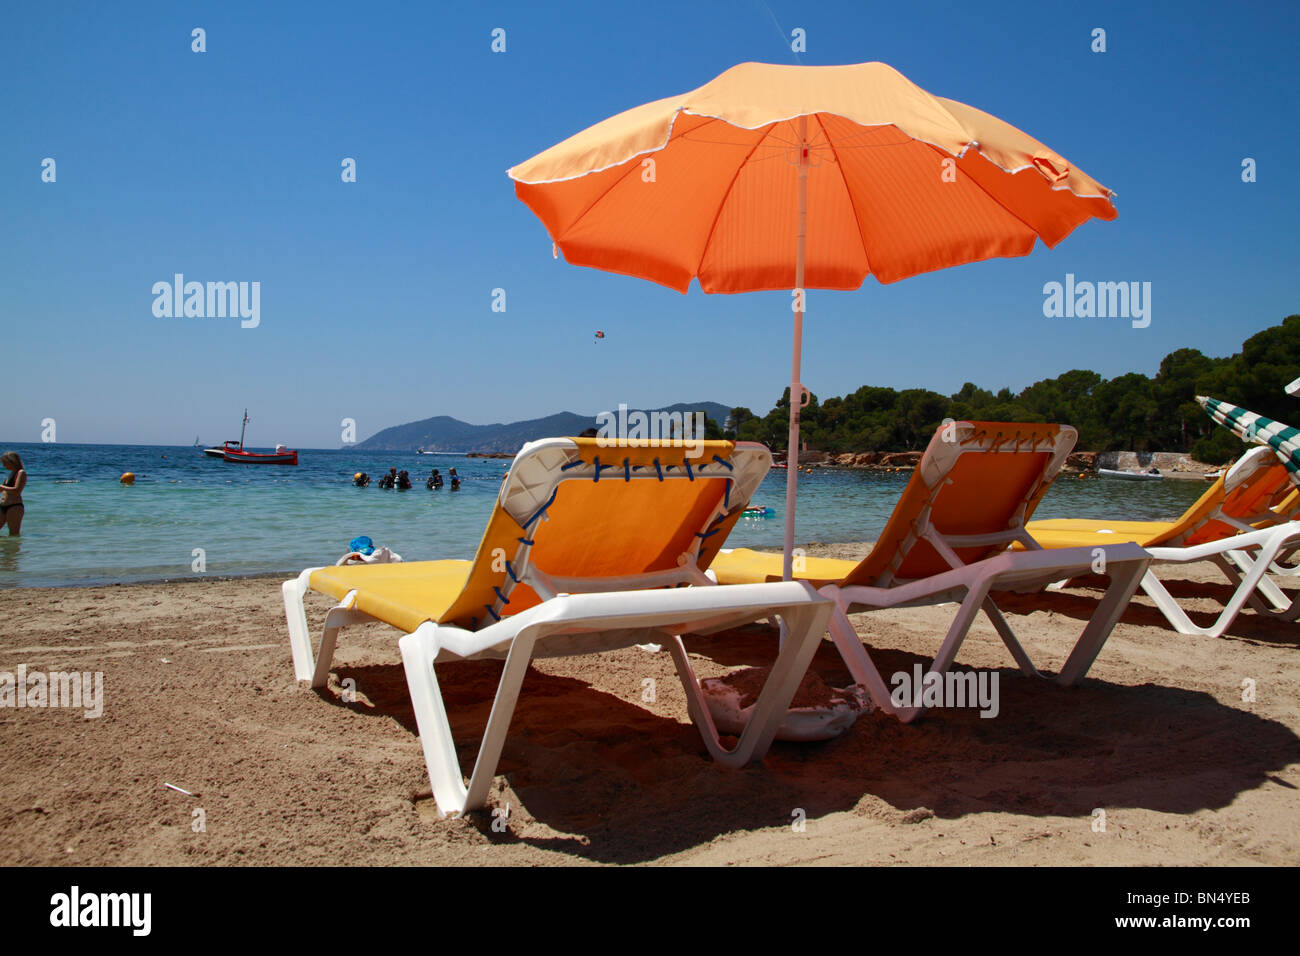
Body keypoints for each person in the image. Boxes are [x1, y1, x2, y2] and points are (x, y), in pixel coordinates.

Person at [1, 452, 25, 536]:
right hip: (2, 506)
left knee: (13, 534)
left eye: (5, 463)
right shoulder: (11, 473)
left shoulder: (21, 472)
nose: (3, 466)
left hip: (14, 506)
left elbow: (17, 490)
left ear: (12, 462)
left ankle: (13, 549)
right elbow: (4, 489)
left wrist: (2, 487)